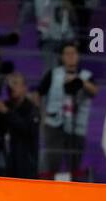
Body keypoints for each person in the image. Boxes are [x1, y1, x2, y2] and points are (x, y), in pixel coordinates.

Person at [35, 41, 96, 179]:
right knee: (52, 162)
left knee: (75, 164)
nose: (70, 57)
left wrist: (79, 80)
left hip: (77, 126)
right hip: (54, 124)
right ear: (62, 57)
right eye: (67, 54)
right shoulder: (53, 74)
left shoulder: (86, 75)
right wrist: (42, 114)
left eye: (73, 53)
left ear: (78, 56)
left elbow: (95, 91)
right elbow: (38, 94)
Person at [0, 72, 39, 179]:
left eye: (15, 83)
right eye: (9, 84)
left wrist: (7, 112)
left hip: (25, 164)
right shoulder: (4, 106)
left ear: (24, 88)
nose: (11, 87)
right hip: (5, 161)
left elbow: (26, 129)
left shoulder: (31, 109)